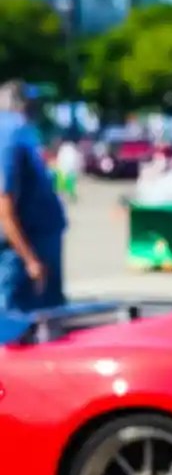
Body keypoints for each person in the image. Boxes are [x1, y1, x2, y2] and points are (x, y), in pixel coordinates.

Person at [0, 80, 67, 312]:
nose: (35, 107)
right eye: (31, 101)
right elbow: (4, 205)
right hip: (24, 248)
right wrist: (30, 259)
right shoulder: (11, 134)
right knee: (19, 319)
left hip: (33, 243)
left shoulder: (19, 132)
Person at [54, 137, 82, 203]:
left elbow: (59, 159)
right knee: (69, 185)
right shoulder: (73, 149)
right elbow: (76, 161)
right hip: (69, 170)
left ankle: (62, 197)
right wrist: (77, 170)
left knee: (62, 185)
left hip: (62, 169)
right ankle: (71, 196)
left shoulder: (63, 149)